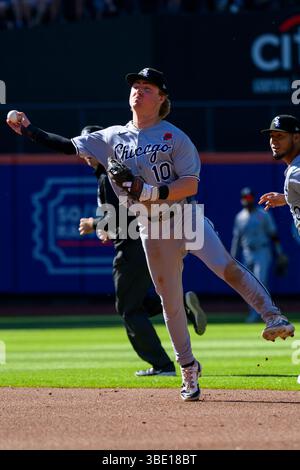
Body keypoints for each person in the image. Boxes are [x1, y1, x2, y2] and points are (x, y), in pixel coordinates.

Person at [6, 68, 295, 402]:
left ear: (161, 98)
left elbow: (190, 184)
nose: (138, 92)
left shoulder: (175, 136)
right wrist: (28, 129)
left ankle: (273, 316)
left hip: (183, 215)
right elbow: (65, 145)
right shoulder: (111, 137)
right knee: (170, 302)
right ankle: (188, 369)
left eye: (146, 88)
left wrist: (152, 191)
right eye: (135, 87)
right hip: (149, 226)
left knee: (226, 266)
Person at [78, 124, 207, 377]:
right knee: (138, 302)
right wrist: (107, 226)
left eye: (89, 146)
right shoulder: (115, 172)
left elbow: (126, 218)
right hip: (146, 240)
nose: (85, 152)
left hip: (133, 245)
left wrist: (95, 224)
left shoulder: (109, 175)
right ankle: (183, 306)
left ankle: (163, 365)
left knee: (127, 308)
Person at [231, 187, 287, 323]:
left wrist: (279, 253)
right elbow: (236, 239)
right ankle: (256, 313)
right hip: (246, 252)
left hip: (262, 251)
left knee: (260, 282)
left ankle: (265, 314)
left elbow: (273, 235)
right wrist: (231, 258)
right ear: (242, 199)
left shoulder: (263, 214)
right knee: (248, 285)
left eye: (249, 198)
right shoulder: (240, 217)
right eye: (245, 198)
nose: (247, 200)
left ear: (253, 199)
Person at [259, 114, 300, 238]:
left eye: (280, 136)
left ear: (296, 137)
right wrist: (288, 198)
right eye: (272, 136)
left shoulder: (295, 171)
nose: (274, 141)